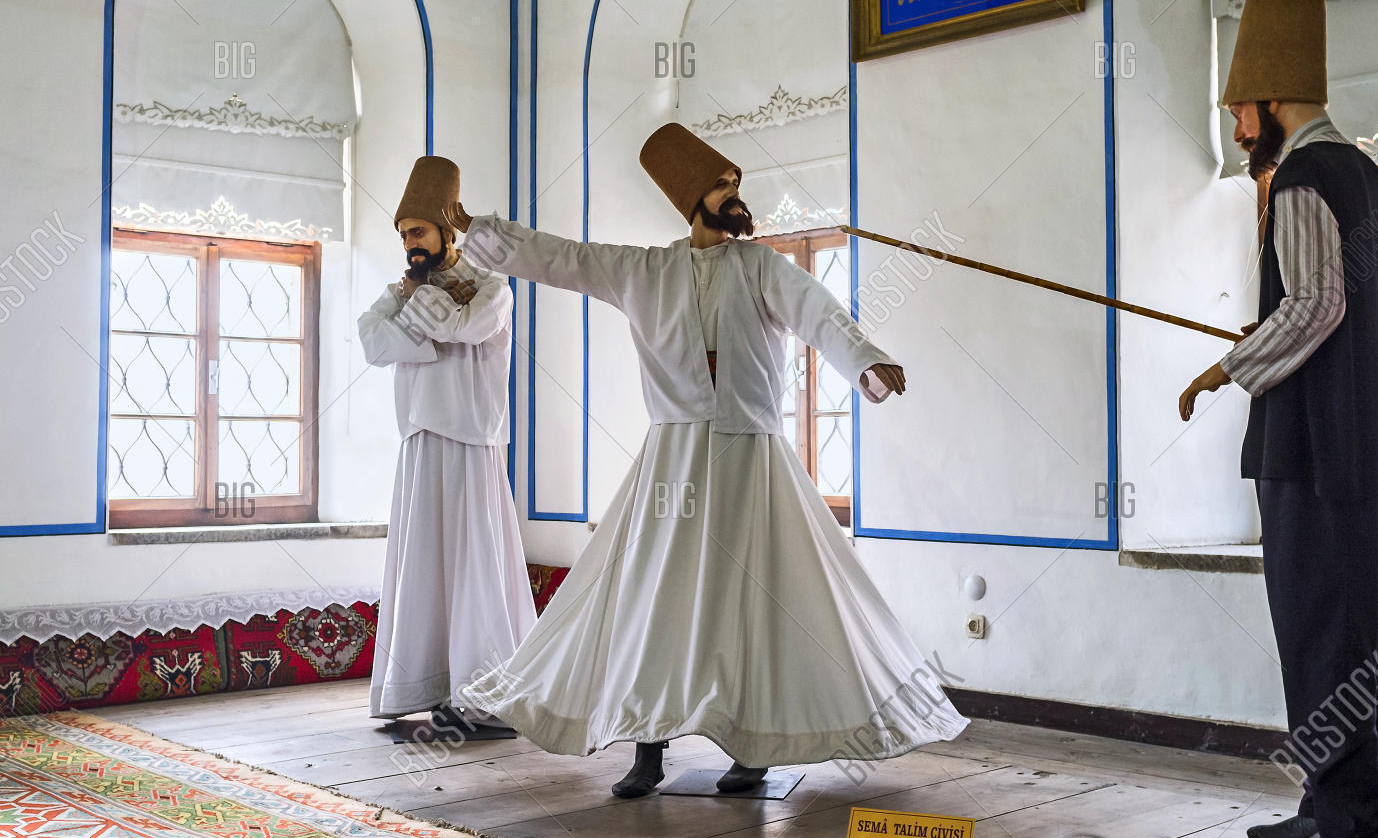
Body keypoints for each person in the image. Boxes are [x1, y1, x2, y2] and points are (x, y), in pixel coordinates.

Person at [456, 123, 968, 796]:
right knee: (652, 599)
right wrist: (477, 231)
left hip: (749, 455)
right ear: (693, 196)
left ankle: (752, 749)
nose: (735, 196)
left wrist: (866, 362)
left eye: (735, 186)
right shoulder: (644, 269)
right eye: (723, 186)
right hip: (670, 462)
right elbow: (562, 257)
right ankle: (646, 746)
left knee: (757, 604)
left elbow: (818, 314)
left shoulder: (761, 266)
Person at [1178, 0, 1378, 838]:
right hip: (1369, 448)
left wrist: (1224, 367)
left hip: (1316, 453)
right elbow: (1339, 312)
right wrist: (1263, 332)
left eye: (1241, 108)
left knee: (1321, 635)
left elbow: (1317, 303)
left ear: (1273, 99)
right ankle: (1331, 802)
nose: (1239, 126)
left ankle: (1349, 818)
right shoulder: (1363, 171)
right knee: (1341, 636)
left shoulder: (1305, 176)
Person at [358, 156, 535, 737]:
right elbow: (375, 342)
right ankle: (425, 685)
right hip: (419, 441)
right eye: (404, 233)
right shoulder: (401, 290)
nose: (410, 243)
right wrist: (423, 306)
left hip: (472, 440)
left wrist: (421, 310)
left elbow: (466, 329)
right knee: (424, 567)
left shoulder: (492, 289)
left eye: (418, 231)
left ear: (445, 230)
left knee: (475, 564)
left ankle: (484, 694)